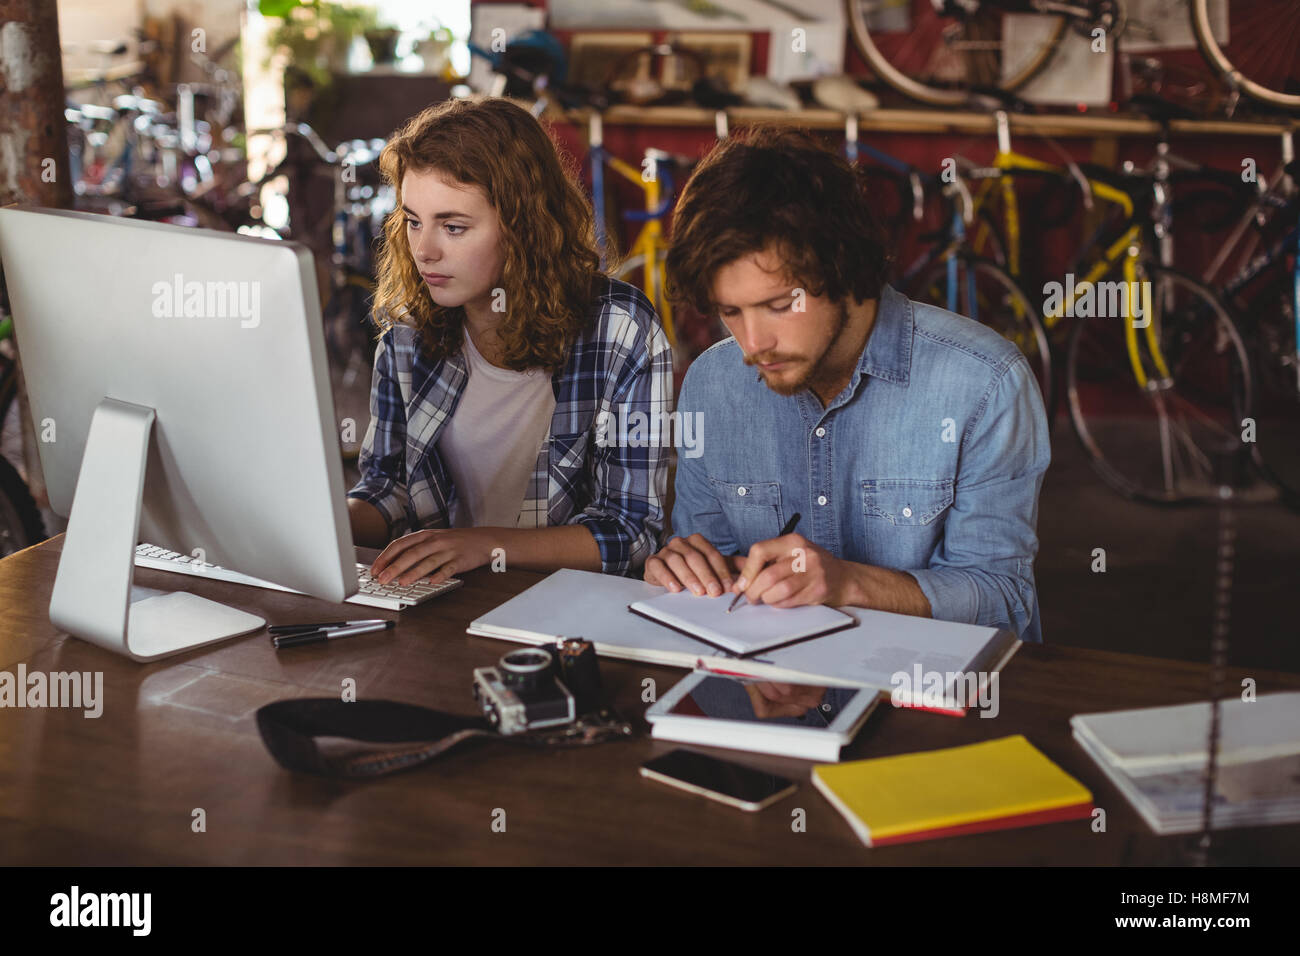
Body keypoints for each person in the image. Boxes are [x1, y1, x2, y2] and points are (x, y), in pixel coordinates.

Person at [645, 127, 1050, 642]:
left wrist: (847, 583)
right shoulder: (711, 382)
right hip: (764, 698)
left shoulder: (984, 383)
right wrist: (685, 569)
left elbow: (1004, 601)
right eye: (730, 312)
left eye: (778, 305)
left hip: (923, 700)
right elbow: (710, 568)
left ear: (840, 264)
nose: (753, 343)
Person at [348, 97, 672, 585]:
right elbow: (388, 487)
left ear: (525, 229)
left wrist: (482, 545)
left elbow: (630, 530)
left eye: (453, 227)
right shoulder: (407, 331)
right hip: (440, 598)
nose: (423, 250)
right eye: (413, 221)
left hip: (565, 611)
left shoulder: (621, 330)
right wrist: (323, 524)